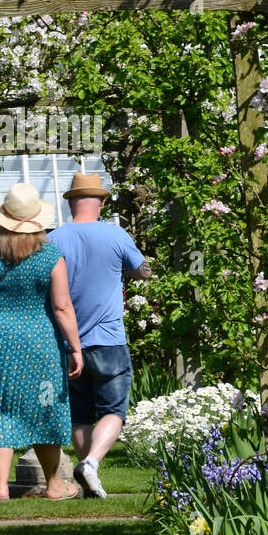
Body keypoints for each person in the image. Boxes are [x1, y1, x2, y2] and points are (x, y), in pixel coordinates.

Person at [0, 182, 84, 502]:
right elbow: (62, 307)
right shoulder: (50, 255)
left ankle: (0, 487)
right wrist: (76, 348)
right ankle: (54, 485)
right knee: (44, 405)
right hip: (37, 339)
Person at [50, 172, 152, 498]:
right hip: (108, 341)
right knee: (113, 411)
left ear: (70, 203)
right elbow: (142, 271)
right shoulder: (116, 235)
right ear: (103, 202)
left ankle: (88, 476)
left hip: (67, 343)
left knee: (79, 414)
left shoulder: (53, 240)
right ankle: (91, 465)